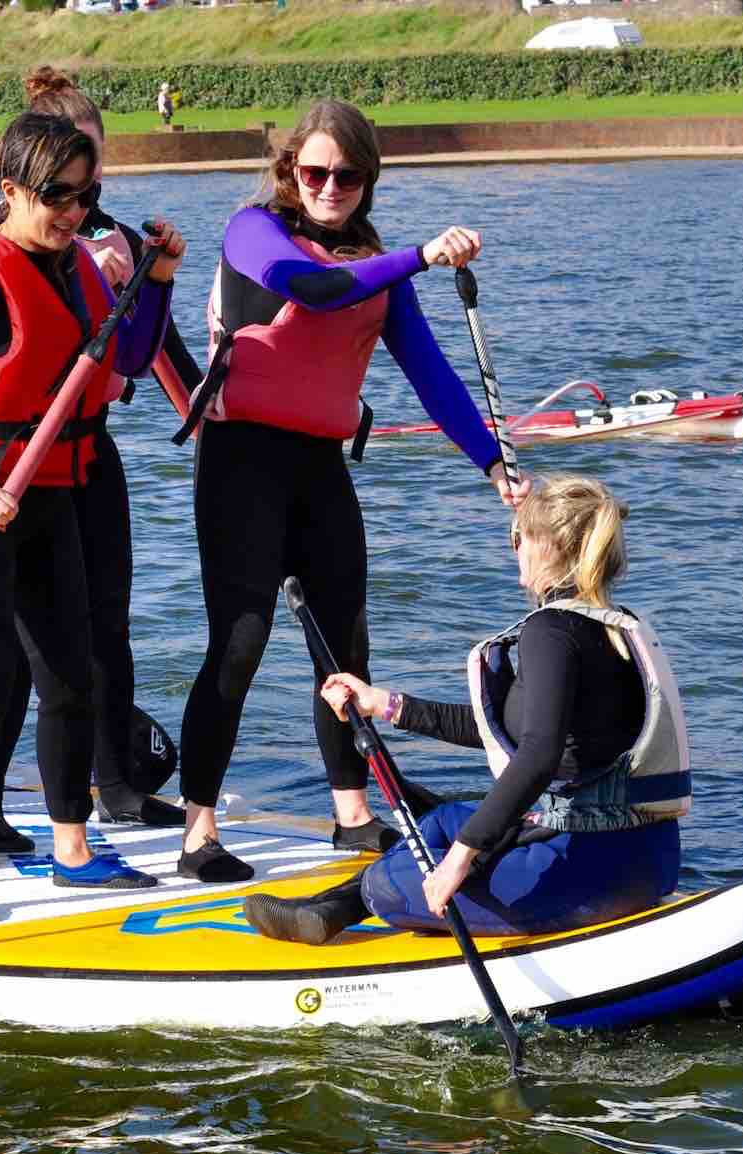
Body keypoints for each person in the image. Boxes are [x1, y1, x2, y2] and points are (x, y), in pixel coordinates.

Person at [171, 97, 530, 886]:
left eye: (349, 175)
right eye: (315, 172)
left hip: (320, 466)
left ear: (369, 179)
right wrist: (420, 255)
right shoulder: (253, 231)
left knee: (344, 647)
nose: (331, 187)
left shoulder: (375, 263)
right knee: (240, 645)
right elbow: (312, 288)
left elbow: (430, 373)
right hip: (241, 460)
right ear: (290, 171)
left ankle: (352, 812)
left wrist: (493, 462)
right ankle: (199, 829)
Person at [0, 110, 187, 925]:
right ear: (10, 190)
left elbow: (128, 358)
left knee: (71, 677)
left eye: (86, 195)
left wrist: (156, 280)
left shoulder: (80, 264)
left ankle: (72, 848)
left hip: (51, 486)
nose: (72, 212)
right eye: (55, 195)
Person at [244, 474, 689, 943]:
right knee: (441, 820)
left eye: (518, 536)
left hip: (584, 867)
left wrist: (460, 859)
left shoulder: (551, 631)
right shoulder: (619, 627)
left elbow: (537, 755)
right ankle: (329, 910)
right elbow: (509, 728)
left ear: (550, 546)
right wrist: (383, 705)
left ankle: (363, 897)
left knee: (389, 884)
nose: (514, 547)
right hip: (652, 857)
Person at [0, 67, 205, 859]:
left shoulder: (120, 237)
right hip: (11, 467)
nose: (79, 198)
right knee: (12, 655)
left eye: (91, 172)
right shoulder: (4, 242)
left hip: (89, 452)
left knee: (106, 627)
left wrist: (154, 287)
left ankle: (117, 787)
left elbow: (144, 354)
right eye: (64, 180)